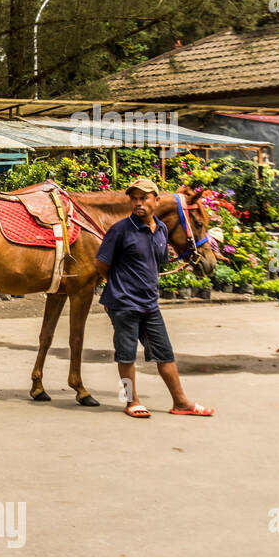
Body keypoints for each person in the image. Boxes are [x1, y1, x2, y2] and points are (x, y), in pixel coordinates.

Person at [95, 177, 212, 418]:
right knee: (126, 355)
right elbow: (101, 264)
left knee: (165, 354)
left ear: (156, 201)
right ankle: (131, 401)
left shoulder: (161, 231)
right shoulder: (119, 230)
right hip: (123, 304)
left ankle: (181, 402)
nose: (138, 203)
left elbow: (155, 263)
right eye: (134, 199)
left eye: (144, 198)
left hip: (149, 304)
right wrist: (119, 287)